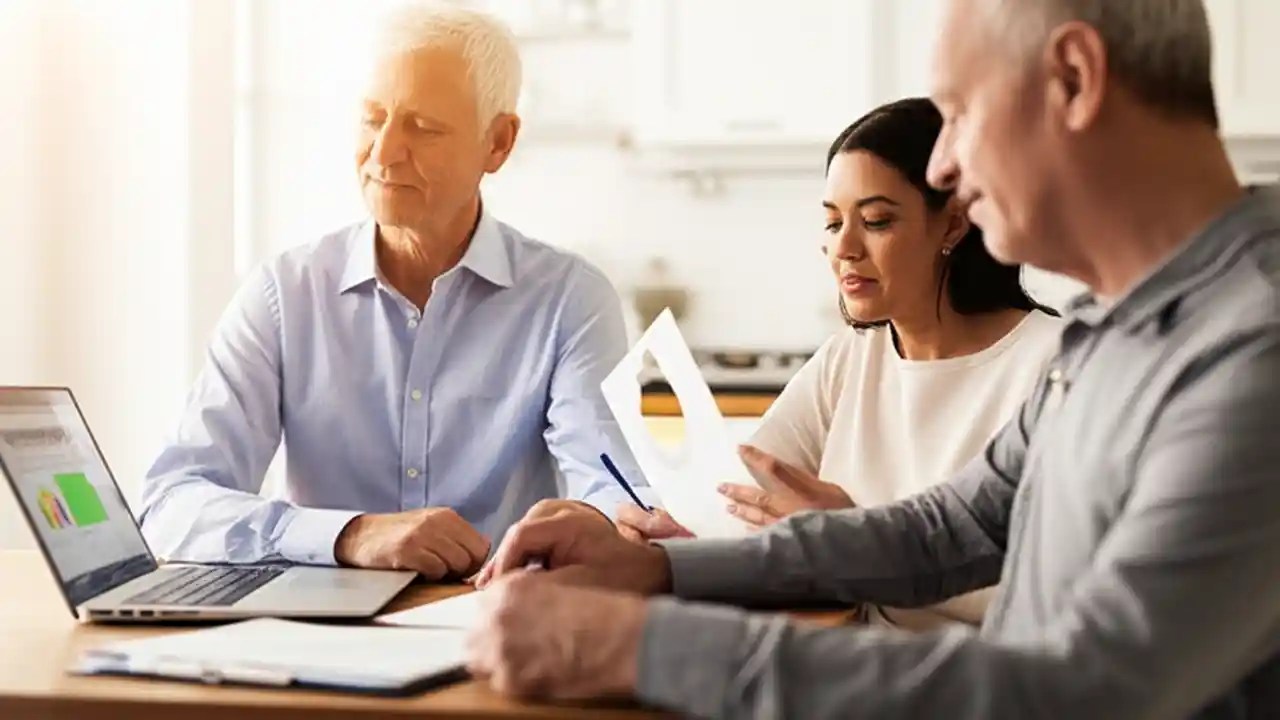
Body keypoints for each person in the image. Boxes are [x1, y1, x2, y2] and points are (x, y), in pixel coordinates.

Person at [467, 0, 1280, 717]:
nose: (943, 166)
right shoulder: (1114, 322)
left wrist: (641, 646)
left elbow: (1090, 690)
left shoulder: (1253, 353)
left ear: (1073, 78)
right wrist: (654, 570)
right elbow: (949, 528)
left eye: (960, 111)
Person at [138, 1, 644, 580]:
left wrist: (587, 527)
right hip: (316, 630)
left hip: (493, 621)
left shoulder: (569, 301)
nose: (383, 154)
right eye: (373, 118)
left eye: (423, 127)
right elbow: (169, 503)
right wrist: (350, 534)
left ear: (498, 143)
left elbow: (616, 496)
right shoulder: (284, 294)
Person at [615, 97, 1063, 631]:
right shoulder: (849, 358)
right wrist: (679, 545)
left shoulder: (1054, 365)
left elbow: (1060, 592)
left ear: (953, 225)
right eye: (832, 224)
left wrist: (854, 545)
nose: (844, 248)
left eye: (875, 220)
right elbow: (742, 507)